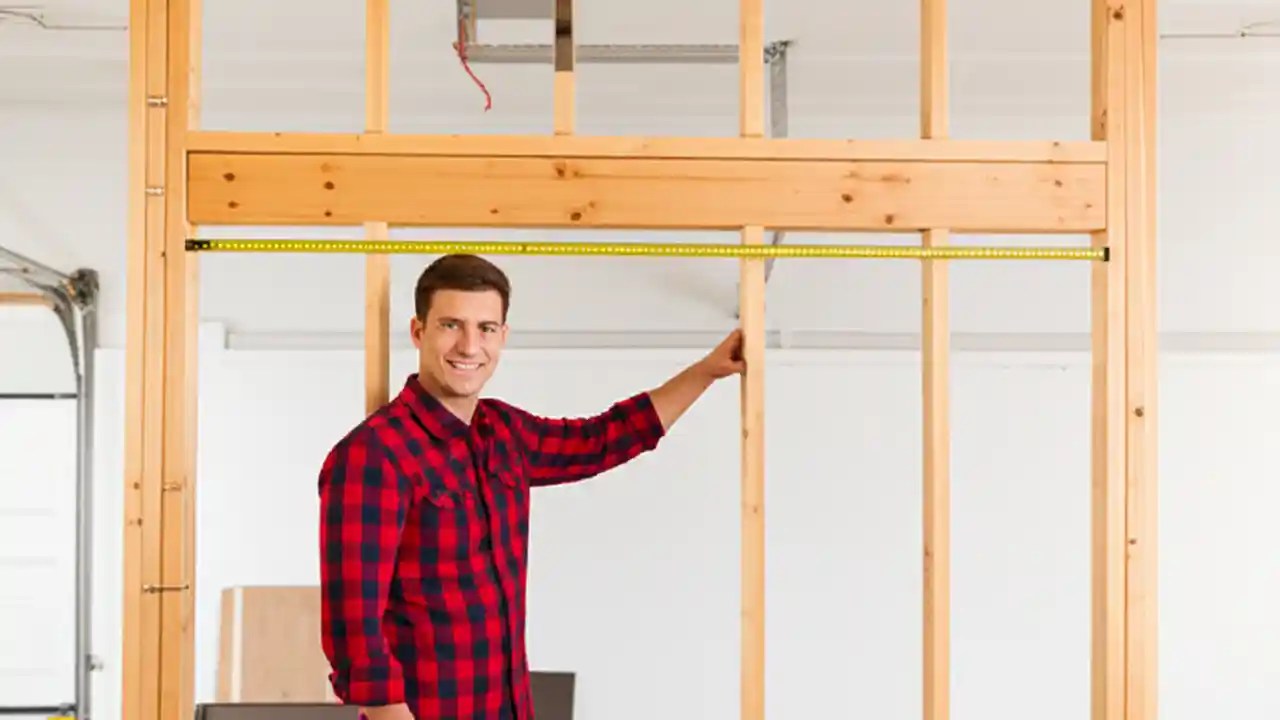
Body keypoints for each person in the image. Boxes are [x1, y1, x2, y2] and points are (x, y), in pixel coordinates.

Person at [318, 254, 745, 720]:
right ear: (419, 332)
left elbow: (603, 439)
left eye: (485, 328)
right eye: (451, 325)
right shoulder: (374, 454)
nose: (469, 345)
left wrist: (706, 371)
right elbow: (353, 625)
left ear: (502, 336)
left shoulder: (503, 433)